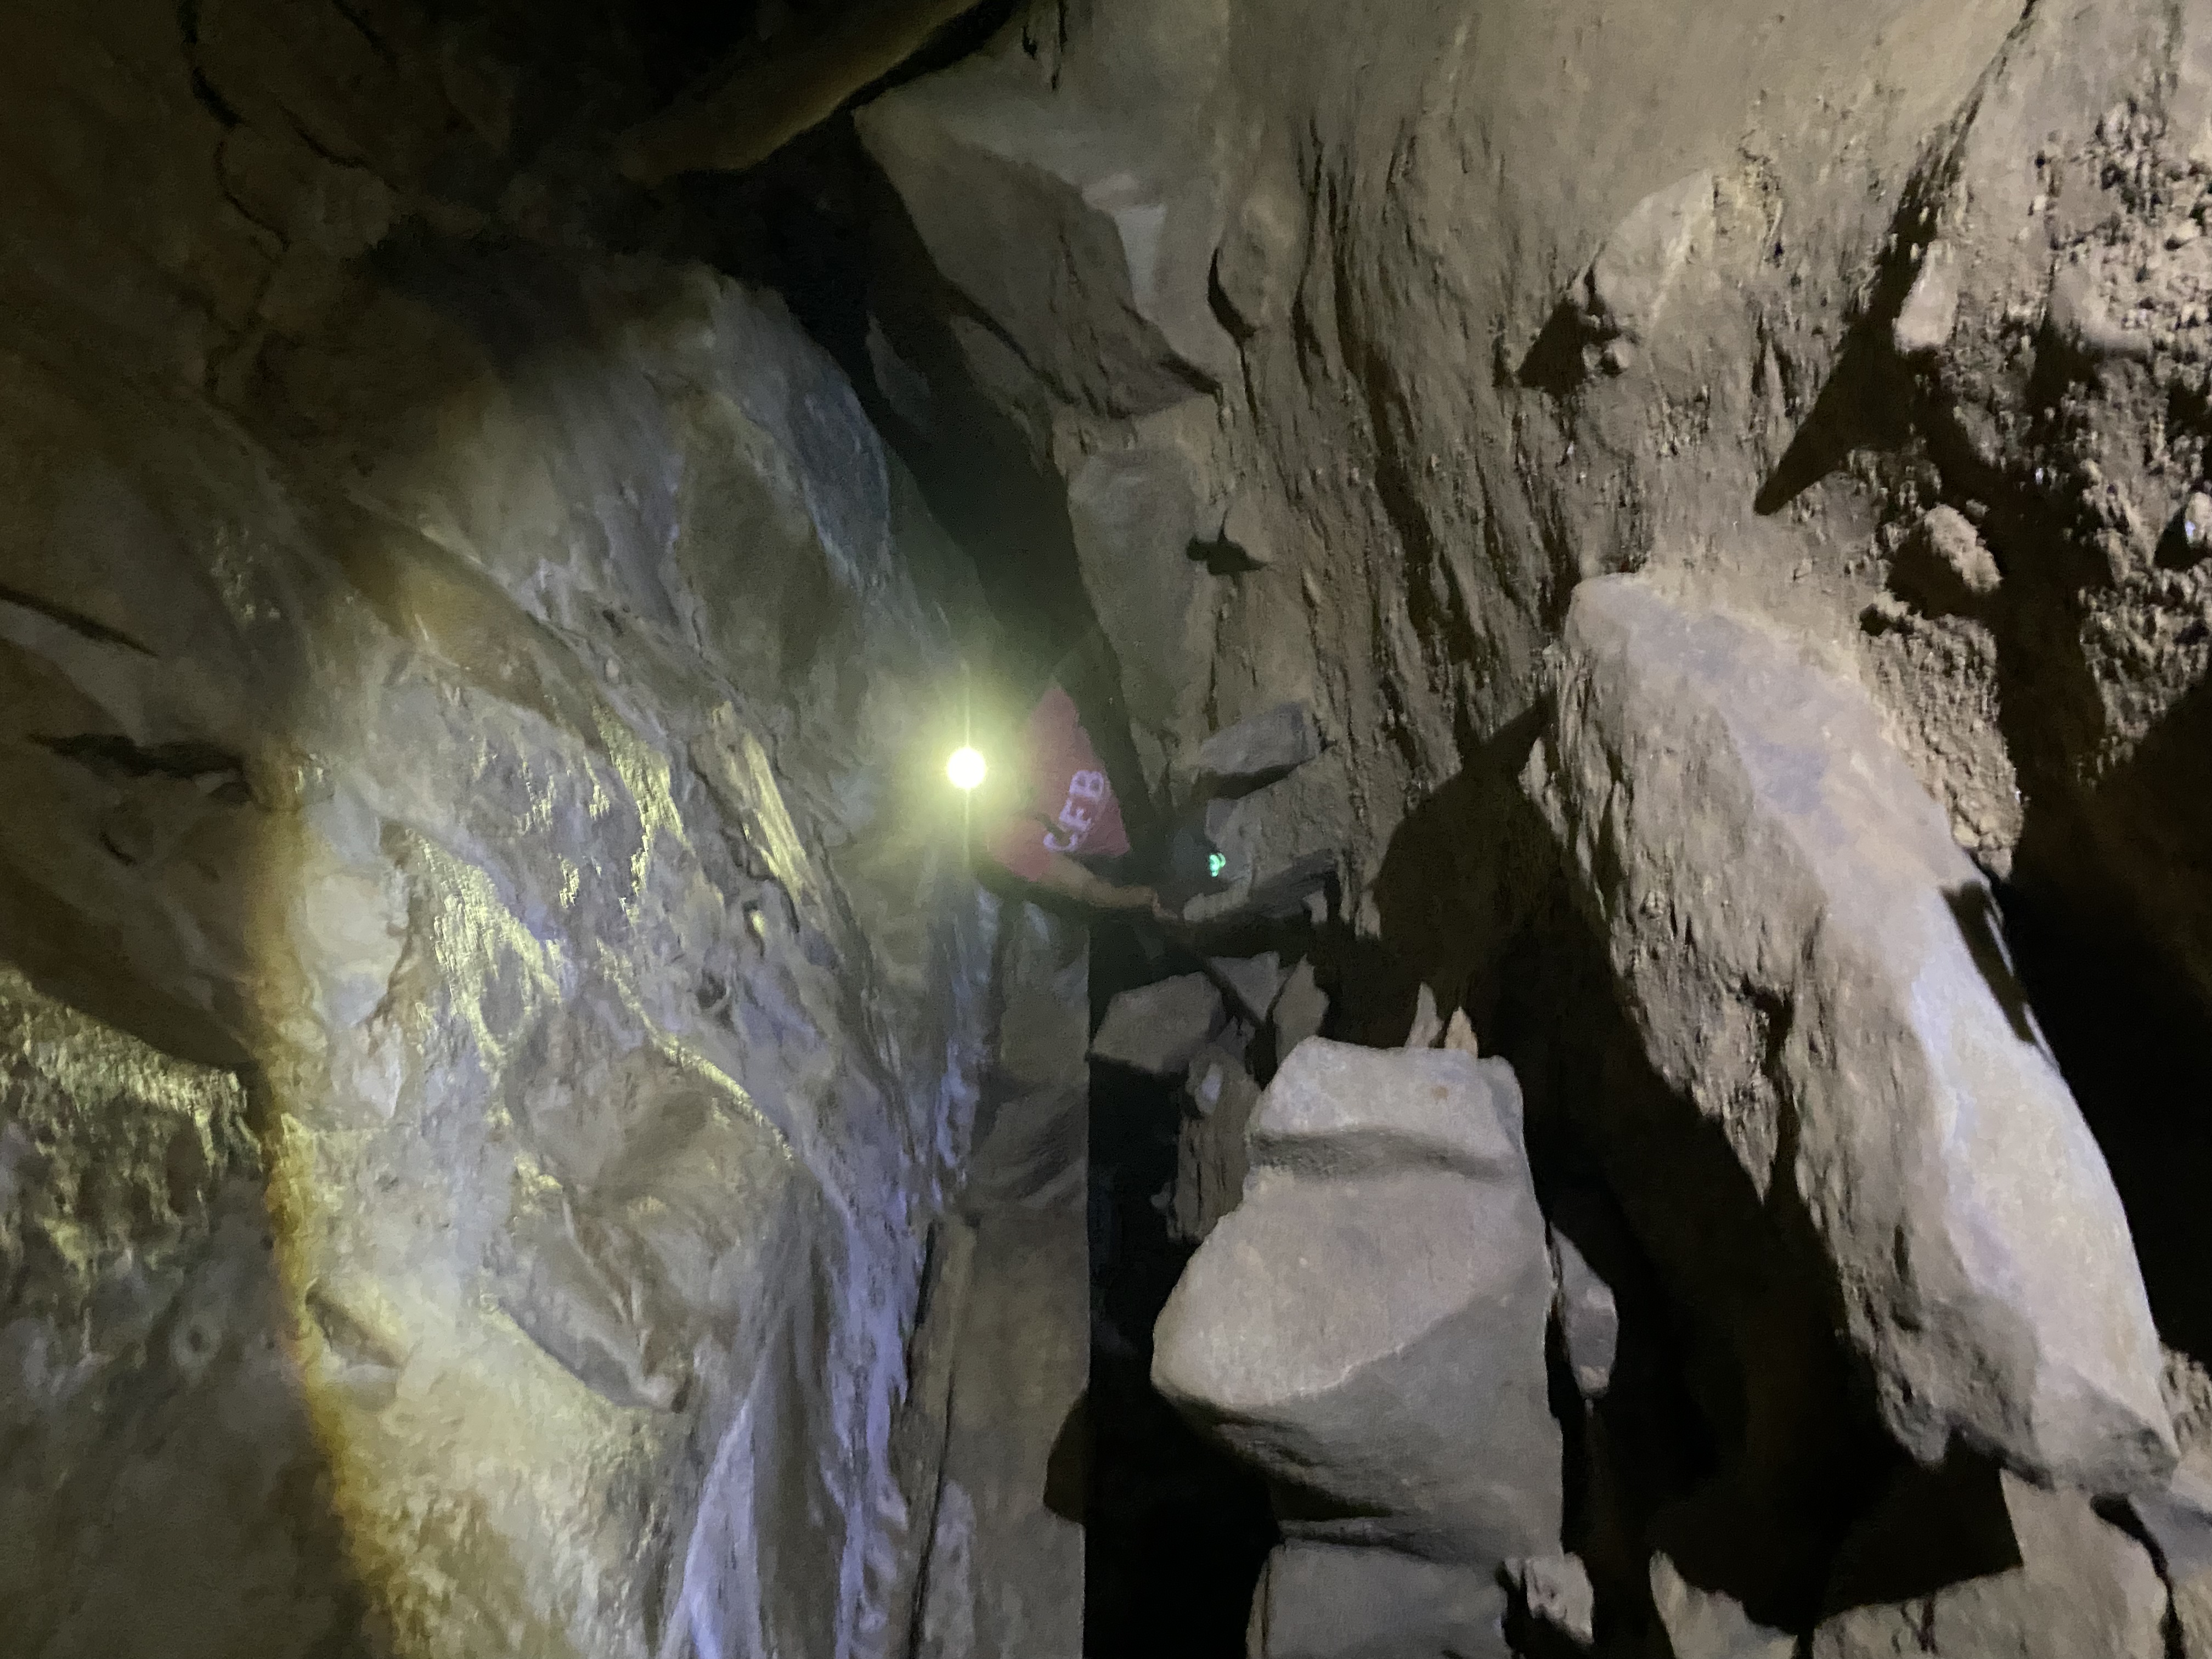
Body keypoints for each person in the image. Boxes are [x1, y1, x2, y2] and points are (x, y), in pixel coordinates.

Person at [973, 679, 1169, 916]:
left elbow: (1098, 690)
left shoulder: (1038, 732)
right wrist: (1144, 897)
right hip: (1145, 845)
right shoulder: (1006, 842)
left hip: (1155, 778)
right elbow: (1081, 886)